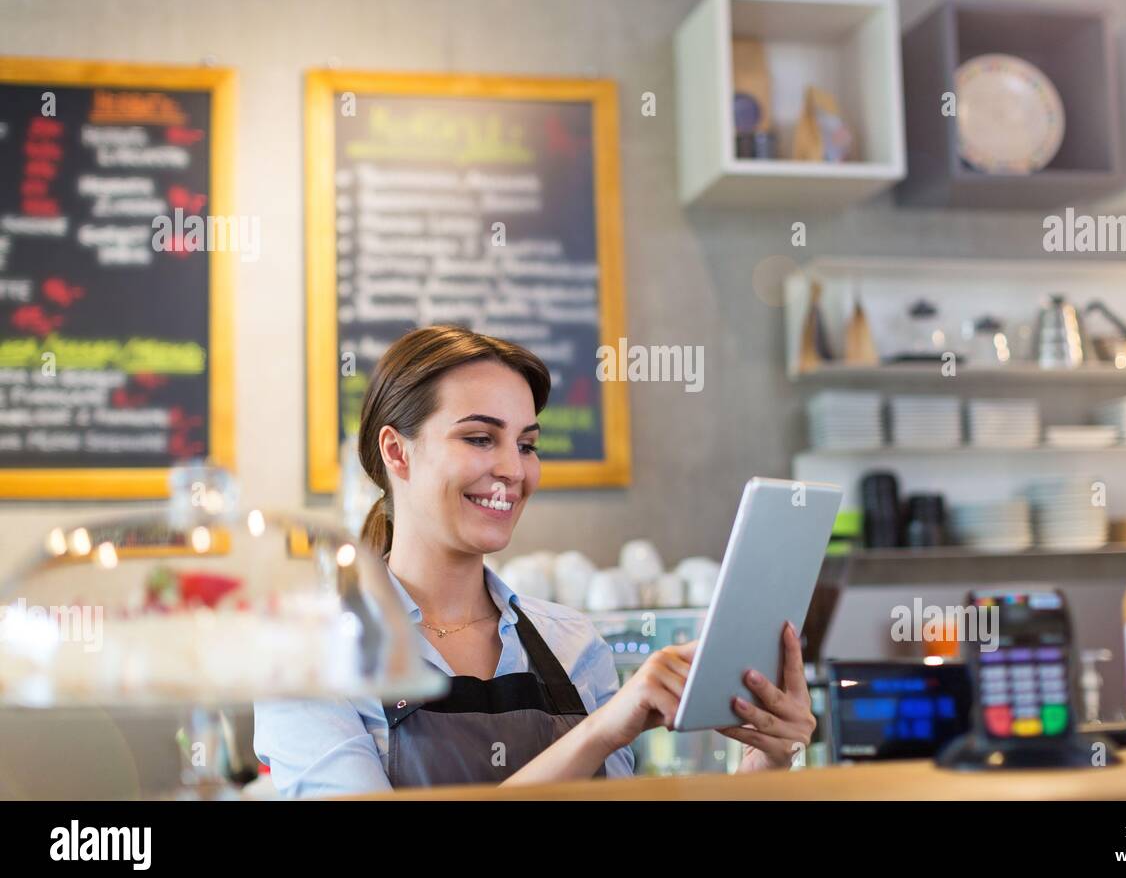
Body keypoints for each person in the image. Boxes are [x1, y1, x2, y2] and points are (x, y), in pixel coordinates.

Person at [254, 325, 815, 795]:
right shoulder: (308, 655)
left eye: (526, 444)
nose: (513, 471)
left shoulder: (573, 644)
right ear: (397, 451)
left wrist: (766, 759)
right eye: (479, 439)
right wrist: (599, 734)